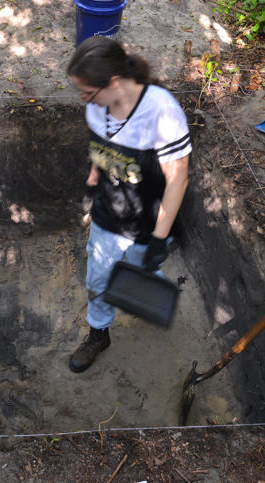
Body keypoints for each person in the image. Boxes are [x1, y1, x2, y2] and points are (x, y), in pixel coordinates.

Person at [66, 37, 192, 373]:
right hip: (109, 211)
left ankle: (150, 286)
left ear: (113, 83)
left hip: (149, 218)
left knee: (142, 268)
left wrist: (158, 237)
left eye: (87, 92)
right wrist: (92, 184)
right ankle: (99, 333)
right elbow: (100, 147)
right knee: (98, 276)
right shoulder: (96, 107)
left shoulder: (161, 112)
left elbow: (178, 178)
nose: (83, 99)